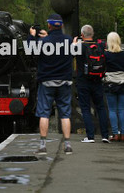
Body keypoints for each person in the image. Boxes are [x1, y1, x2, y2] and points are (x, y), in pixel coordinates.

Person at [29, 14, 73, 155]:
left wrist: (32, 36)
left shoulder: (43, 42)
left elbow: (31, 52)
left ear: (49, 25)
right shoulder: (69, 40)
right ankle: (67, 145)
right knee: (65, 114)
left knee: (44, 114)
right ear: (60, 25)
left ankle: (42, 145)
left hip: (47, 82)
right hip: (65, 82)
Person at [73, 25, 110, 143]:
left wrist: (74, 44)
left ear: (82, 35)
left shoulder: (79, 47)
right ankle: (105, 135)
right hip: (97, 81)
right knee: (101, 107)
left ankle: (90, 136)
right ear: (92, 34)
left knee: (85, 108)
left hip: (83, 82)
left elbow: (68, 55)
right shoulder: (100, 46)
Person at [103, 32, 124, 142]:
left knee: (112, 110)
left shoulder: (106, 55)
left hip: (110, 83)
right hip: (123, 82)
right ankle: (123, 134)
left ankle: (115, 134)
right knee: (121, 110)